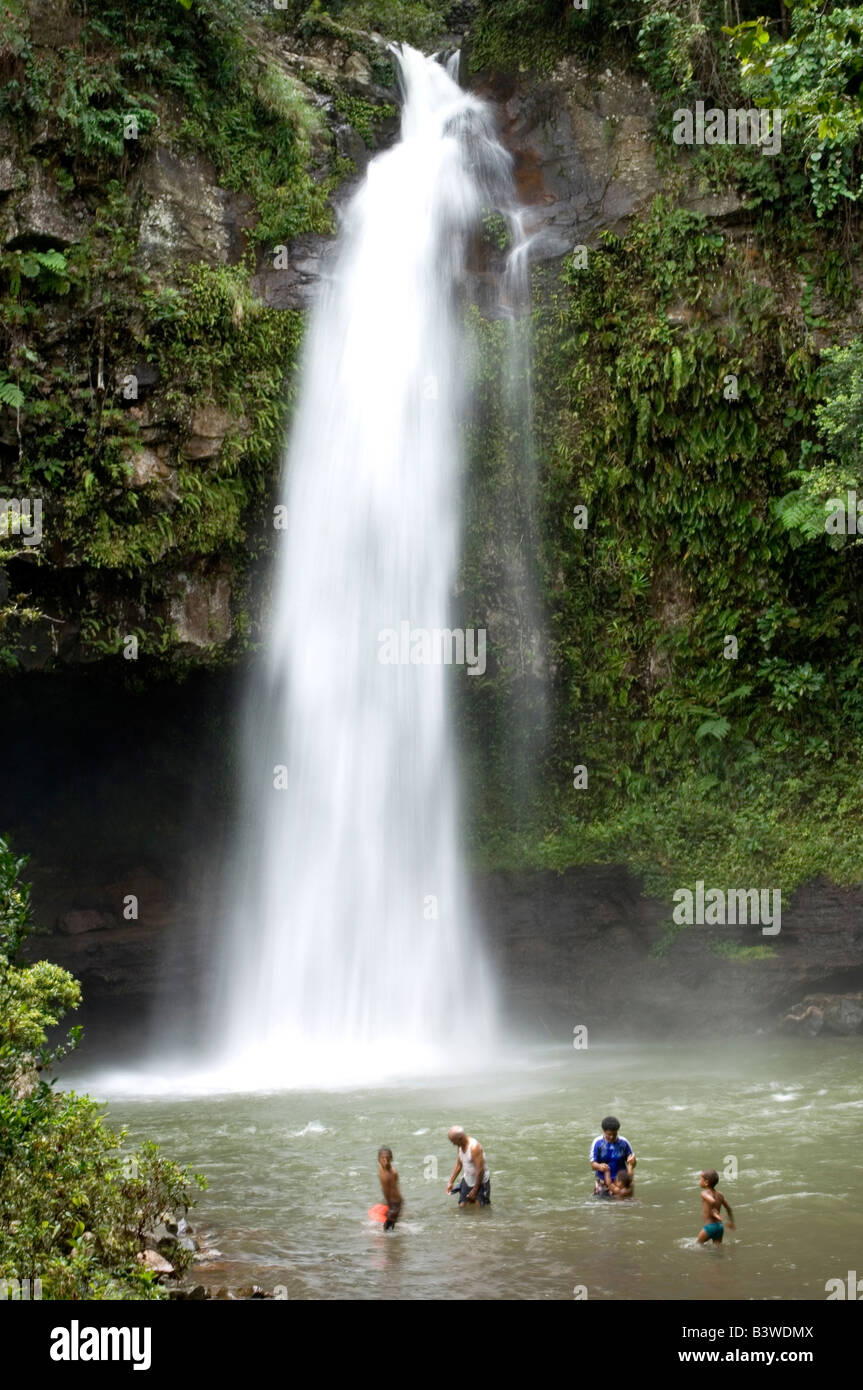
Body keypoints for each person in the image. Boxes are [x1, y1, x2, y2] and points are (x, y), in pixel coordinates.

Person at [589, 1116, 636, 1197]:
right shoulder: (597, 1143)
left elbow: (633, 1163)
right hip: (603, 1181)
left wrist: (632, 1161)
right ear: (604, 1132)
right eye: (609, 1134)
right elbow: (593, 1164)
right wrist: (600, 1166)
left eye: (614, 1134)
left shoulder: (624, 1143)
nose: (611, 1137)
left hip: (622, 1181)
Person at [445, 1126, 491, 1207]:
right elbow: (459, 1164)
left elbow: (480, 1171)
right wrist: (451, 1181)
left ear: (460, 1138)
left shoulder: (474, 1148)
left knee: (479, 1208)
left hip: (480, 1180)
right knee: (462, 1206)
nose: (453, 1144)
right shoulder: (460, 1145)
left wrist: (475, 1190)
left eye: (453, 1142)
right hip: (468, 1178)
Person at [697, 1169, 735, 1245]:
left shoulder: (704, 1193)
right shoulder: (720, 1194)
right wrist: (731, 1222)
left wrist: (713, 1211)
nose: (699, 1181)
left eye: (700, 1179)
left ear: (706, 1182)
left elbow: (712, 1200)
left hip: (710, 1227)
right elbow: (729, 1209)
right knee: (717, 1249)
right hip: (720, 1226)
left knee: (697, 1245)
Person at [378, 1147, 402, 1231]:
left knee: (387, 1229)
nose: (385, 1161)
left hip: (395, 1204)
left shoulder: (392, 1173)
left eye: (388, 1158)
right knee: (389, 1228)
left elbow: (394, 1191)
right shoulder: (381, 1170)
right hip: (390, 1203)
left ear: (391, 1159)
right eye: (383, 1158)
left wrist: (393, 1208)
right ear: (379, 1160)